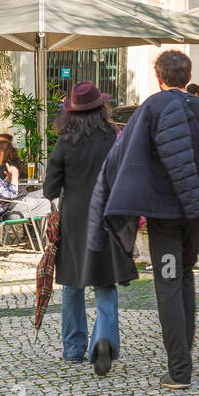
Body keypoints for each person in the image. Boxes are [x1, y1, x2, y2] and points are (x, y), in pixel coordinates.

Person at [86, 50, 199, 389]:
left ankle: (180, 370)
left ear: (159, 77)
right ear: (188, 77)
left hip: (163, 214)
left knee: (169, 281)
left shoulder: (150, 109)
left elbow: (124, 155)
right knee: (184, 274)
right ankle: (183, 357)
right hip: (197, 210)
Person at [43, 82, 136, 374]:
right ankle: (105, 340)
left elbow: (49, 188)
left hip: (75, 218)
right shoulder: (114, 139)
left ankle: (73, 349)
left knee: (73, 283)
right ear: (101, 109)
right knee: (105, 283)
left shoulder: (65, 141)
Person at [0, 141, 52, 223]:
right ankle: (53, 235)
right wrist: (15, 176)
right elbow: (12, 195)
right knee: (49, 202)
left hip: (11, 204)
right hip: (12, 209)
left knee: (50, 193)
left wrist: (7, 180)